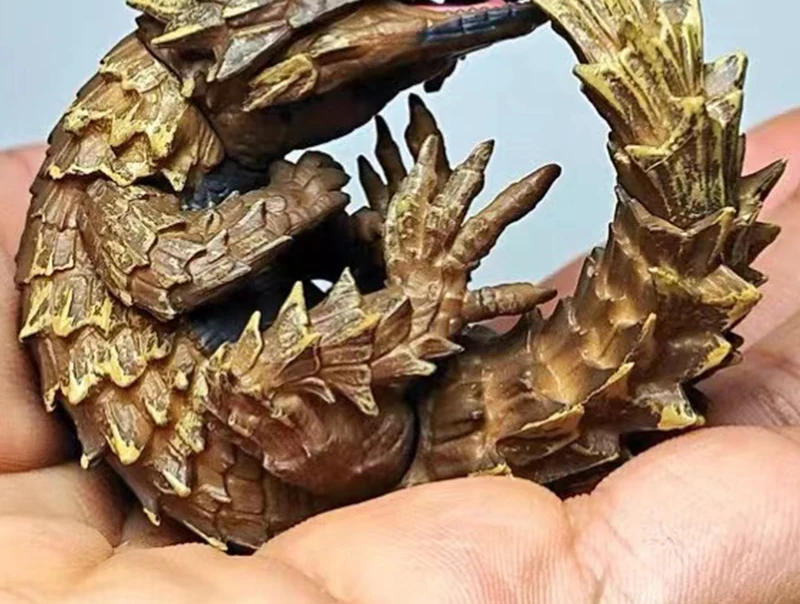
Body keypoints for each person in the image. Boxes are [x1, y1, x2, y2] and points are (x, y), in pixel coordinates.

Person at [1, 110, 799, 604]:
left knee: (254, 380)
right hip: (303, 450)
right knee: (252, 384)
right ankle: (420, 299)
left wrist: (388, 276)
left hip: (353, 430)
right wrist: (399, 284)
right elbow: (185, 276)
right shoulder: (132, 157)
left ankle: (419, 298)